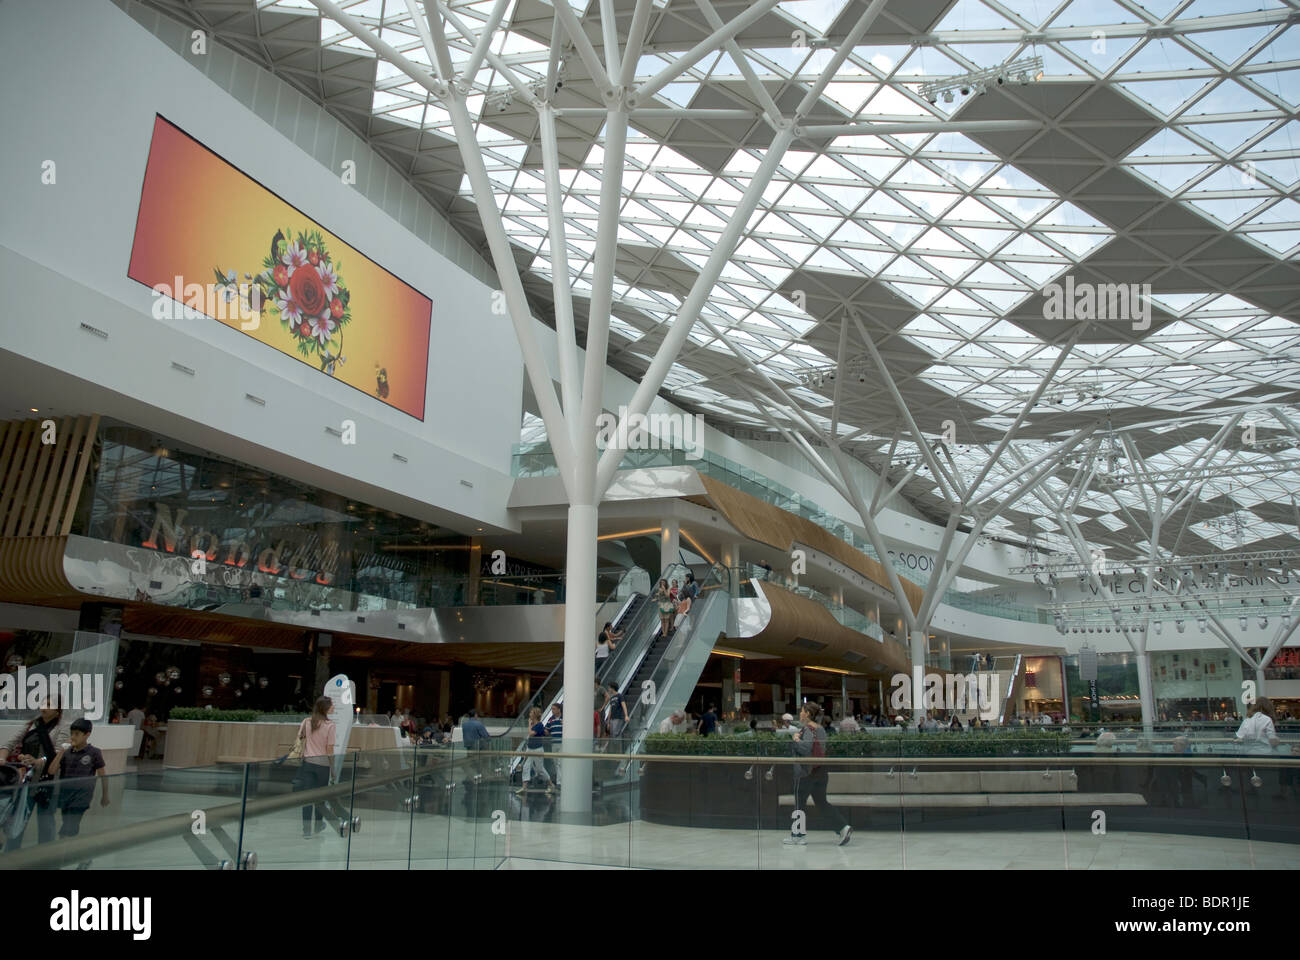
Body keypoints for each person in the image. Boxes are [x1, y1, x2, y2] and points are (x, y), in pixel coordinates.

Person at [1, 704, 69, 850]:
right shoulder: (32, 725)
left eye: (49, 705)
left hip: (48, 784)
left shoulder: (62, 728)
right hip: (27, 782)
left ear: (57, 711)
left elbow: (56, 754)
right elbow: (10, 743)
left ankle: (44, 861)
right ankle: (11, 857)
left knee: (46, 825)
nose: (44, 707)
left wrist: (38, 761)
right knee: (17, 821)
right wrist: (3, 757)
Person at [787, 703, 851, 847]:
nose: (800, 713)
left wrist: (796, 740)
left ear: (808, 713)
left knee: (799, 803)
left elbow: (806, 748)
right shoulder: (820, 729)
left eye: (802, 711)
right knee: (822, 802)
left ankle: (798, 835)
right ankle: (842, 827)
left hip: (806, 772)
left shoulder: (807, 729)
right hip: (820, 771)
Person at [50, 718, 109, 841]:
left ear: (87, 734)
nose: (73, 737)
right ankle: (81, 853)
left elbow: (103, 775)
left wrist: (105, 795)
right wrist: (61, 752)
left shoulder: (94, 752)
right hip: (66, 795)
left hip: (82, 796)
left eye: (77, 734)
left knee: (69, 825)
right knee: (68, 823)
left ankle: (64, 851)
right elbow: (52, 771)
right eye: (72, 733)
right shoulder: (66, 753)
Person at [292, 697, 337, 839]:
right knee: (320, 798)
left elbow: (300, 738)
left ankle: (306, 830)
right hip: (323, 765)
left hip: (308, 764)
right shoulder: (330, 726)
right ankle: (318, 825)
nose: (333, 707)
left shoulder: (306, 722)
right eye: (331, 705)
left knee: (307, 798)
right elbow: (329, 750)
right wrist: (333, 768)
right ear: (325, 708)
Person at [518, 708, 553, 794]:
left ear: (535, 715)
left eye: (531, 713)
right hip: (530, 748)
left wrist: (529, 725)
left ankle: (550, 784)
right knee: (526, 767)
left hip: (537, 749)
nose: (529, 714)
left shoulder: (539, 725)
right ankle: (524, 787)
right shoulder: (534, 724)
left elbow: (531, 733)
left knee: (540, 769)